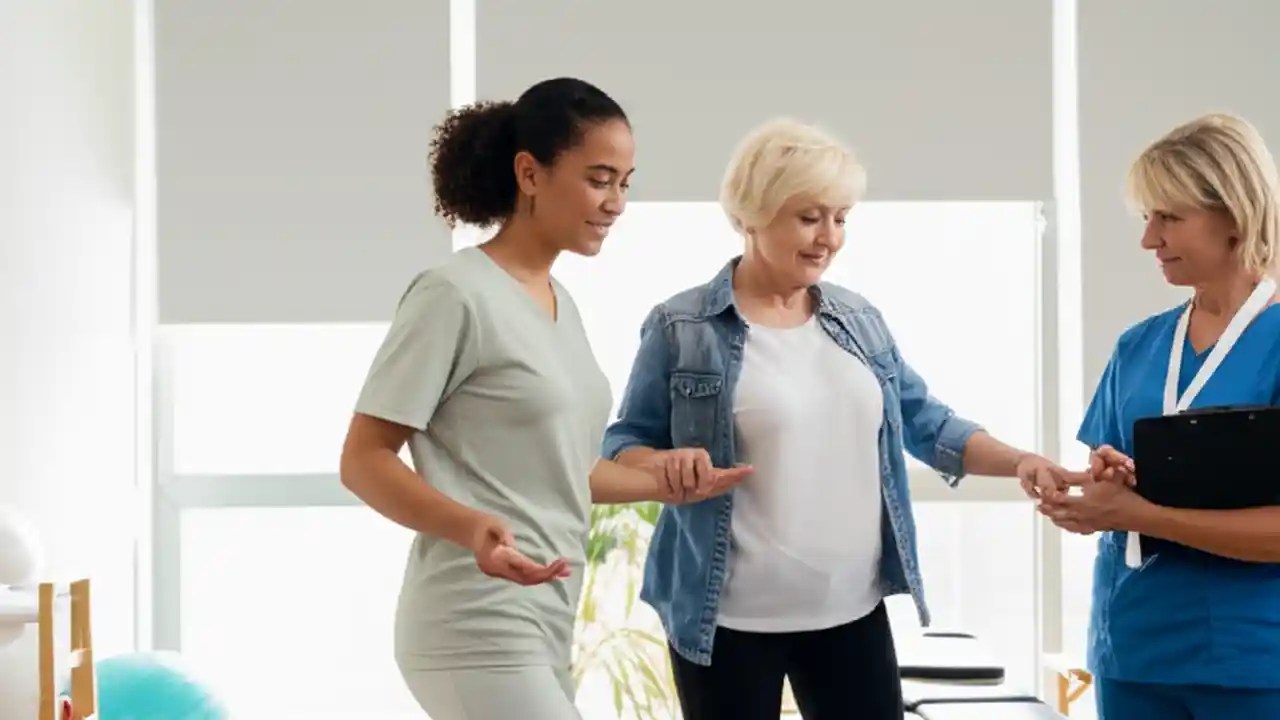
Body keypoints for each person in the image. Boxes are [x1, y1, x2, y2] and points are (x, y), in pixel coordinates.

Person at [600, 117, 1080, 720]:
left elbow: (927, 422)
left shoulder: (858, 319)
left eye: (841, 217)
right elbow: (625, 442)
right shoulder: (682, 327)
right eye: (809, 216)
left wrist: (1022, 462)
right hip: (725, 621)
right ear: (751, 214)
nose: (829, 236)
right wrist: (662, 463)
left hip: (850, 613)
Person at [339, 77, 748, 720]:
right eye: (599, 178)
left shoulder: (561, 305)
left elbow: (568, 470)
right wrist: (470, 526)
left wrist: (665, 483)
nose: (616, 202)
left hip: (545, 623)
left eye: (625, 182)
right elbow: (364, 459)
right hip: (473, 621)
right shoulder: (454, 294)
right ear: (529, 173)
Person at [1039, 113, 1280, 719]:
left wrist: (1142, 513)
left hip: (1253, 661)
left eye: (1168, 217)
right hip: (1133, 653)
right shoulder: (1139, 347)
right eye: (1148, 218)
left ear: (1233, 214)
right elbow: (1119, 488)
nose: (1150, 239)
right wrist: (1094, 494)